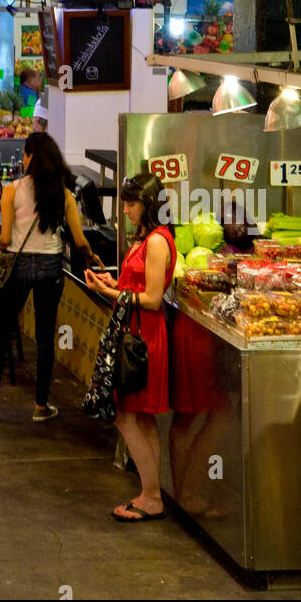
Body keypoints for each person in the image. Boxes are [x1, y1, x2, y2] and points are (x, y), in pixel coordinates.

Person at [0, 132, 100, 424]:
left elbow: (4, 237)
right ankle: (41, 406)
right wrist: (93, 256)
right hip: (50, 268)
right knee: (44, 338)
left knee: (1, 330)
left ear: (29, 157)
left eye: (25, 155)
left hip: (18, 266)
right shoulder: (64, 195)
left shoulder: (12, 190)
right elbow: (79, 241)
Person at [85, 172, 177, 522]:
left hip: (142, 339)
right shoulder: (146, 237)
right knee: (141, 418)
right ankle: (151, 491)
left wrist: (109, 293)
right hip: (136, 332)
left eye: (131, 204)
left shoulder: (156, 241)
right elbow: (137, 285)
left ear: (149, 205)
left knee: (124, 416)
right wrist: (114, 280)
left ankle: (152, 496)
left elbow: (153, 299)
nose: (125, 210)